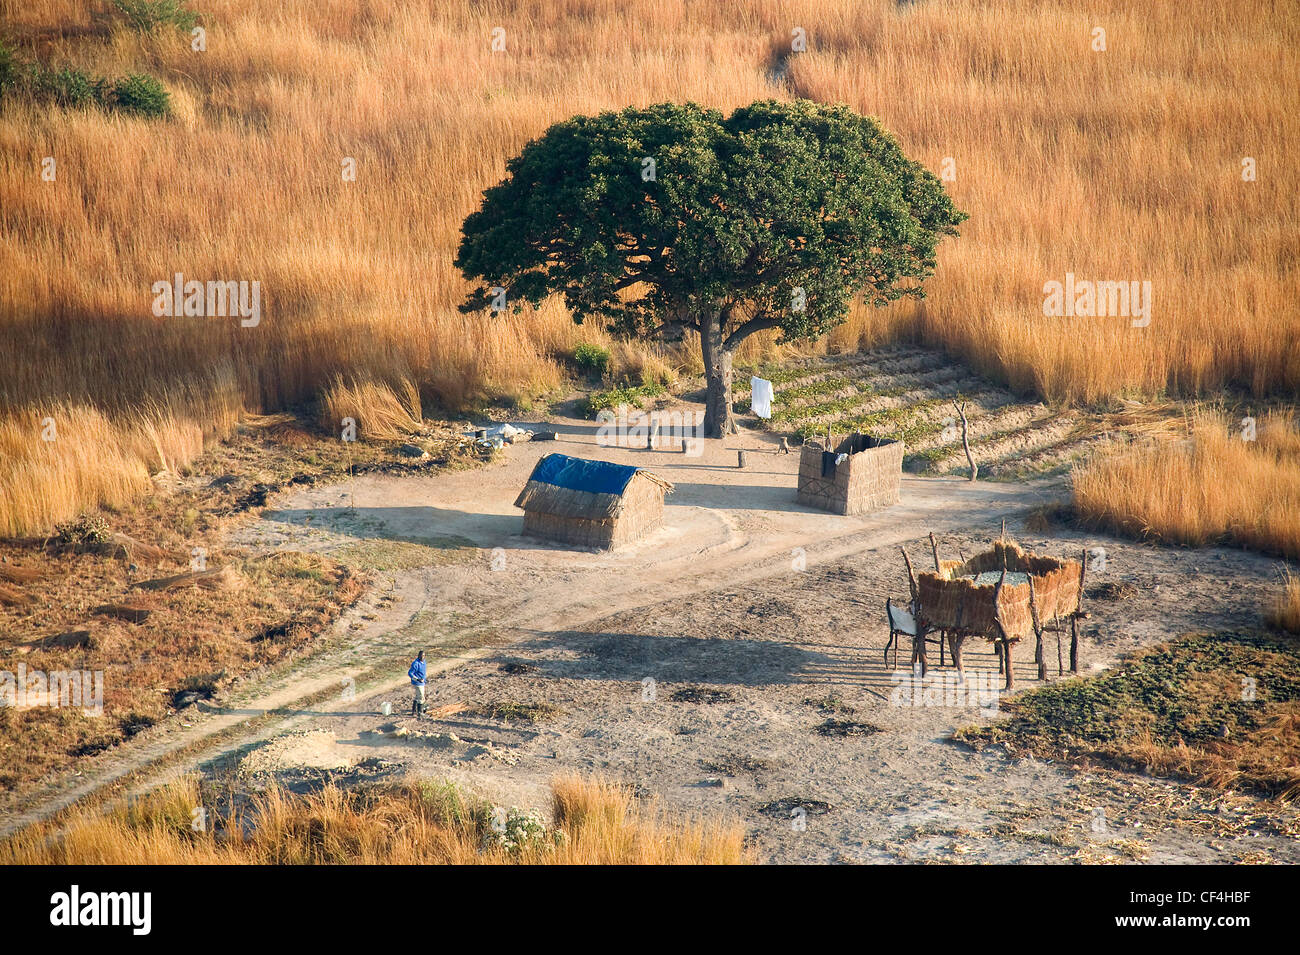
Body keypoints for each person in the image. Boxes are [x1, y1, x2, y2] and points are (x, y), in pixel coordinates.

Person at [408, 650, 427, 718]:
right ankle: (420, 712)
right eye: (421, 656)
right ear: (418, 656)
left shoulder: (424, 662)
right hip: (418, 683)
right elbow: (410, 673)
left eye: (424, 656)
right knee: (421, 697)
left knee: (417, 696)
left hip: (422, 682)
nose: (422, 657)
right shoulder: (415, 664)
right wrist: (417, 679)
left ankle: (414, 711)